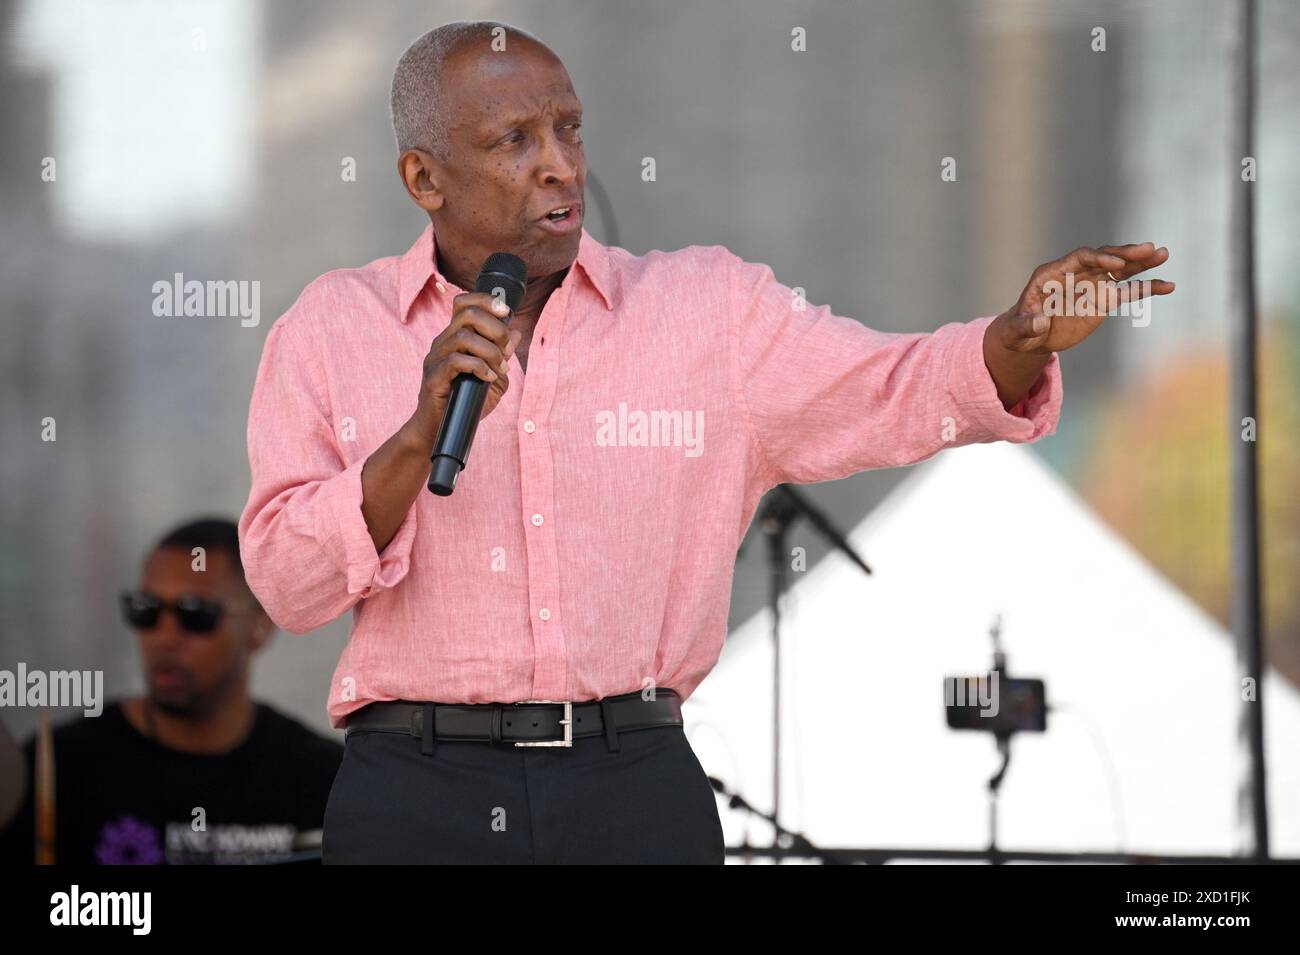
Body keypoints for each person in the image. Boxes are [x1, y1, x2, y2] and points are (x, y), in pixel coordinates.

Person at [237, 21, 1175, 864]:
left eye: (568, 128)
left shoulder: (708, 311)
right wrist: (411, 441)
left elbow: (888, 388)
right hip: (416, 792)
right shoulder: (331, 329)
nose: (560, 164)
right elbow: (285, 581)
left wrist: (1013, 338)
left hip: (630, 786)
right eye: (513, 141)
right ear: (424, 178)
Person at [0, 518, 342, 864]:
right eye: (145, 610)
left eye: (195, 614)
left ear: (261, 626)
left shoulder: (326, 781)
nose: (163, 637)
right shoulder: (57, 769)